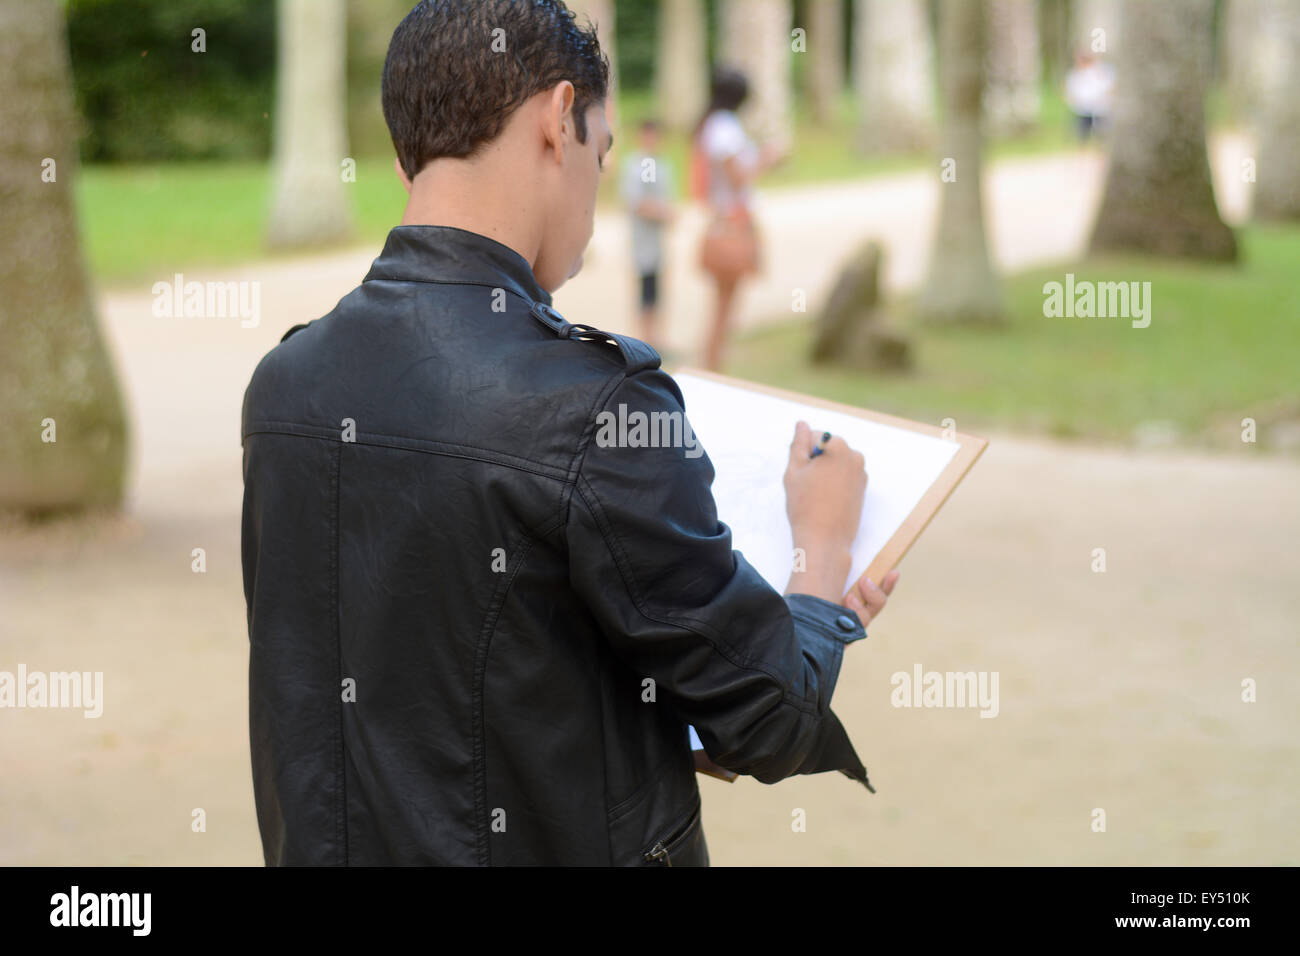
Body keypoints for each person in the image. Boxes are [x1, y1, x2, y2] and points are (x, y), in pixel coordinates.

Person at [240, 0, 897, 867]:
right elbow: (773, 717)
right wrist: (820, 558)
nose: (601, 180)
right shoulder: (592, 406)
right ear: (559, 120)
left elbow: (434, 692)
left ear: (407, 149)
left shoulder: (284, 387)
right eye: (604, 148)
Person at [692, 67, 786, 371]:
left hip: (724, 220)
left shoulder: (713, 124)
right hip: (732, 222)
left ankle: (714, 366)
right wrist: (768, 158)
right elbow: (738, 177)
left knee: (724, 303)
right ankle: (713, 368)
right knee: (724, 305)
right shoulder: (724, 127)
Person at [619, 118, 675, 353]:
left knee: (657, 288)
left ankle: (656, 337)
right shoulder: (634, 165)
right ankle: (644, 338)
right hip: (642, 240)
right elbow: (636, 203)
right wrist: (662, 213)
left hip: (657, 241)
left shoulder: (661, 165)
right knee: (645, 288)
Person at [1064, 50, 1115, 142]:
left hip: (1099, 108)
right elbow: (1071, 92)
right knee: (1083, 133)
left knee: (1101, 133)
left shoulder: (1098, 72)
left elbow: (1107, 87)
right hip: (1082, 109)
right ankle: (1083, 151)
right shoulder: (1074, 74)